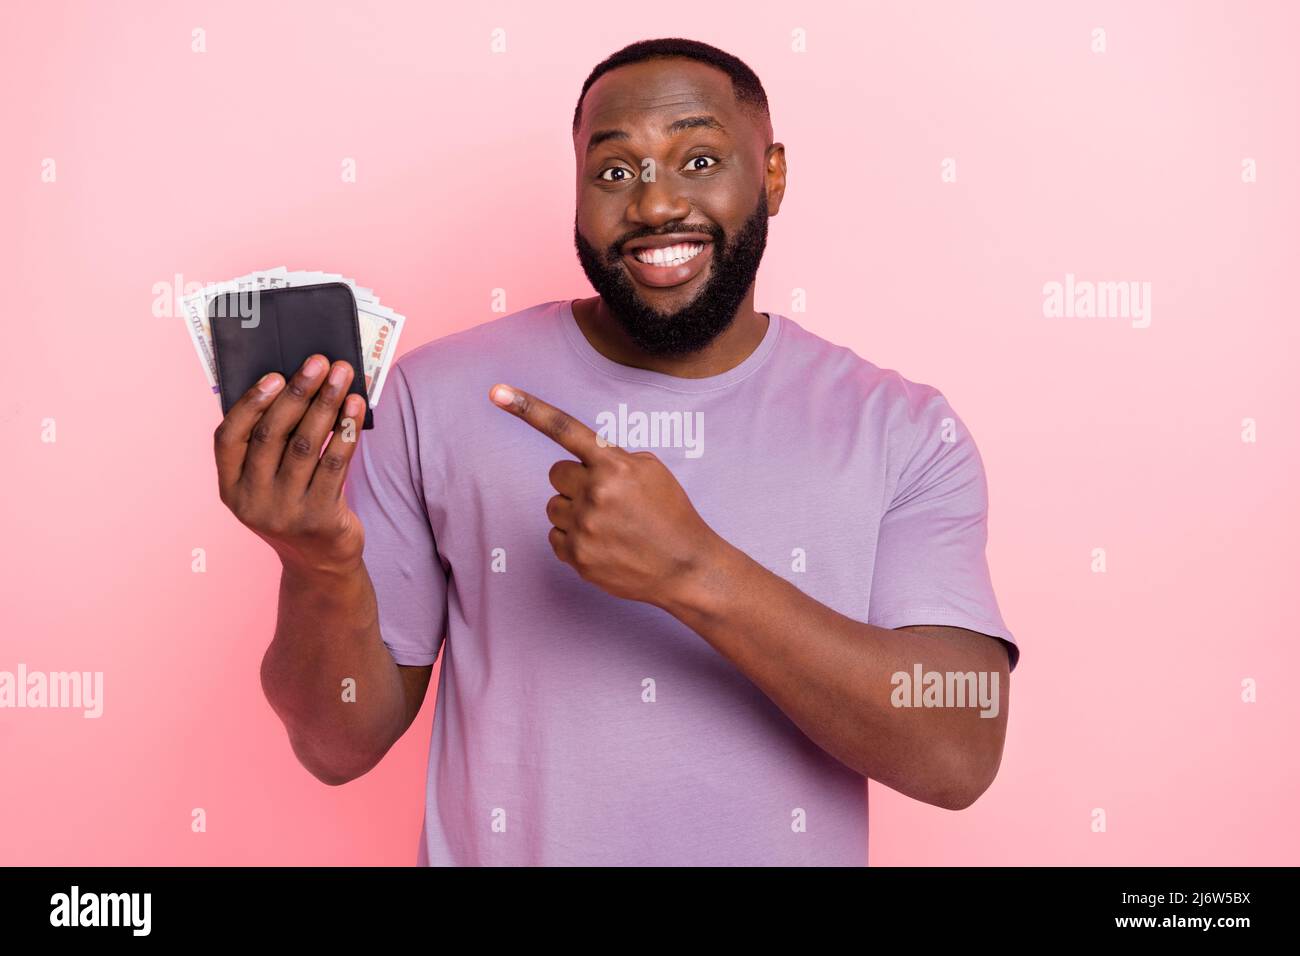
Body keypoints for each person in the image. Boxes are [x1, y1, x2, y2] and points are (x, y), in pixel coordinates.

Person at [214, 37, 1018, 866]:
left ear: (772, 176)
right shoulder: (434, 396)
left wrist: (695, 571)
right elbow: (337, 745)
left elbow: (959, 749)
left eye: (699, 158)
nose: (654, 204)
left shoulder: (906, 432)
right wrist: (316, 565)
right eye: (614, 172)